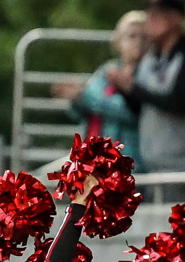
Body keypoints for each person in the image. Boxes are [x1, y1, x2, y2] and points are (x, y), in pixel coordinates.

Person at [109, 0, 185, 182]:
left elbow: (180, 102)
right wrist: (124, 89)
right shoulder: (150, 58)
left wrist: (134, 88)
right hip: (152, 162)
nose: (150, 20)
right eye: (149, 14)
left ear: (177, 19)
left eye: (158, 14)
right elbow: (140, 107)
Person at [56, 12, 146, 171]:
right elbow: (79, 112)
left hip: (129, 163)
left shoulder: (148, 74)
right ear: (118, 41)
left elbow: (130, 112)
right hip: (95, 164)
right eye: (132, 36)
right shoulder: (106, 71)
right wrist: (75, 99)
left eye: (145, 37)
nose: (139, 42)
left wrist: (85, 97)